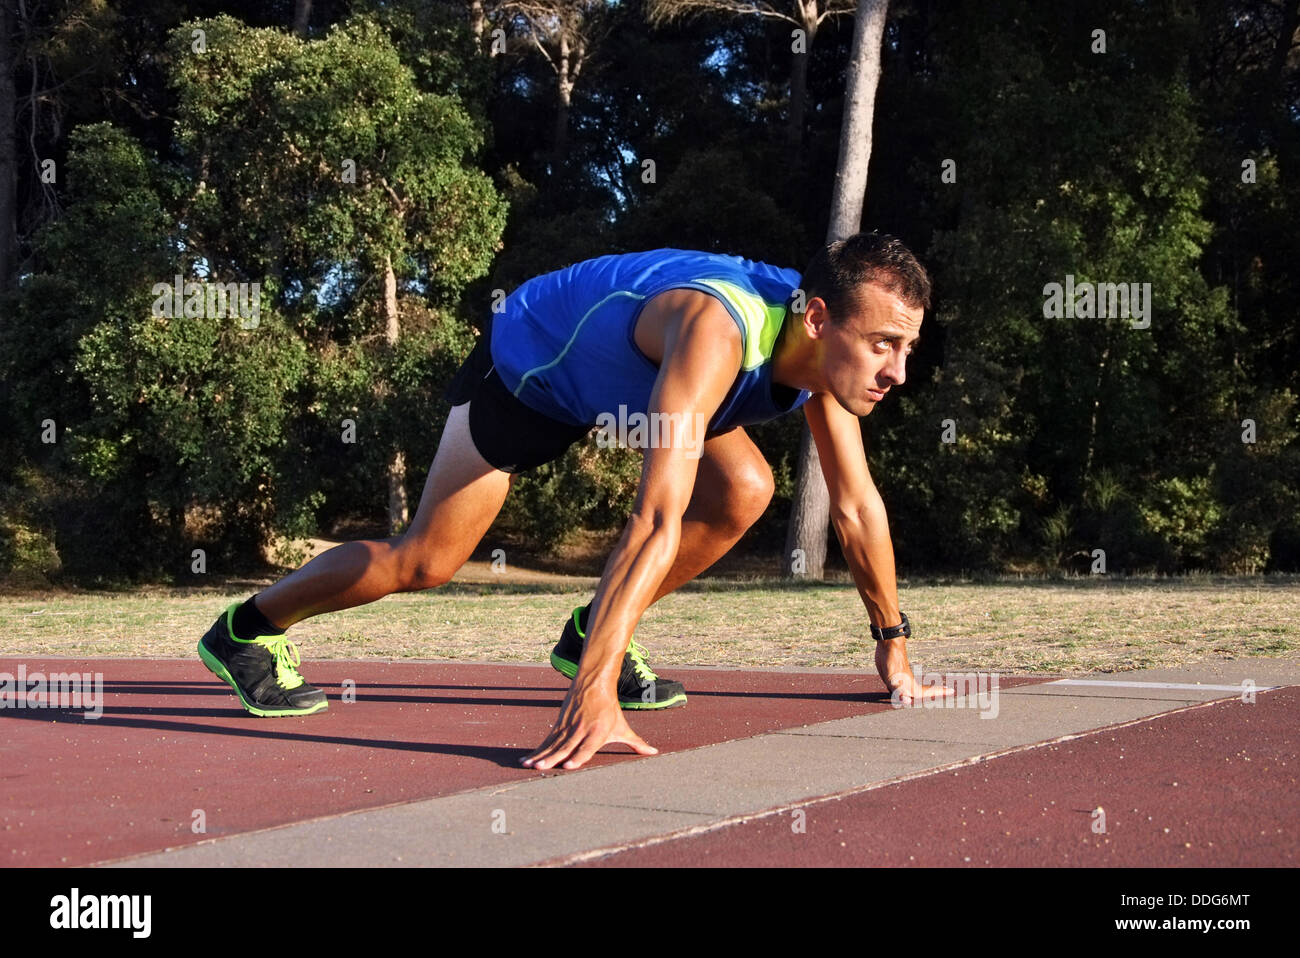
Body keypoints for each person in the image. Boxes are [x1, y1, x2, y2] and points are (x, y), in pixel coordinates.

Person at [196, 231, 953, 771]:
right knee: (424, 561)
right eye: (883, 344)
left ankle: (590, 631)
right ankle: (248, 630)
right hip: (532, 373)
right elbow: (656, 517)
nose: (898, 371)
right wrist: (594, 690)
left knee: (746, 489)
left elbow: (856, 507)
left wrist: (893, 643)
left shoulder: (822, 362)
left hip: (626, 390)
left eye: (907, 348)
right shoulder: (717, 331)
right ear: (817, 319)